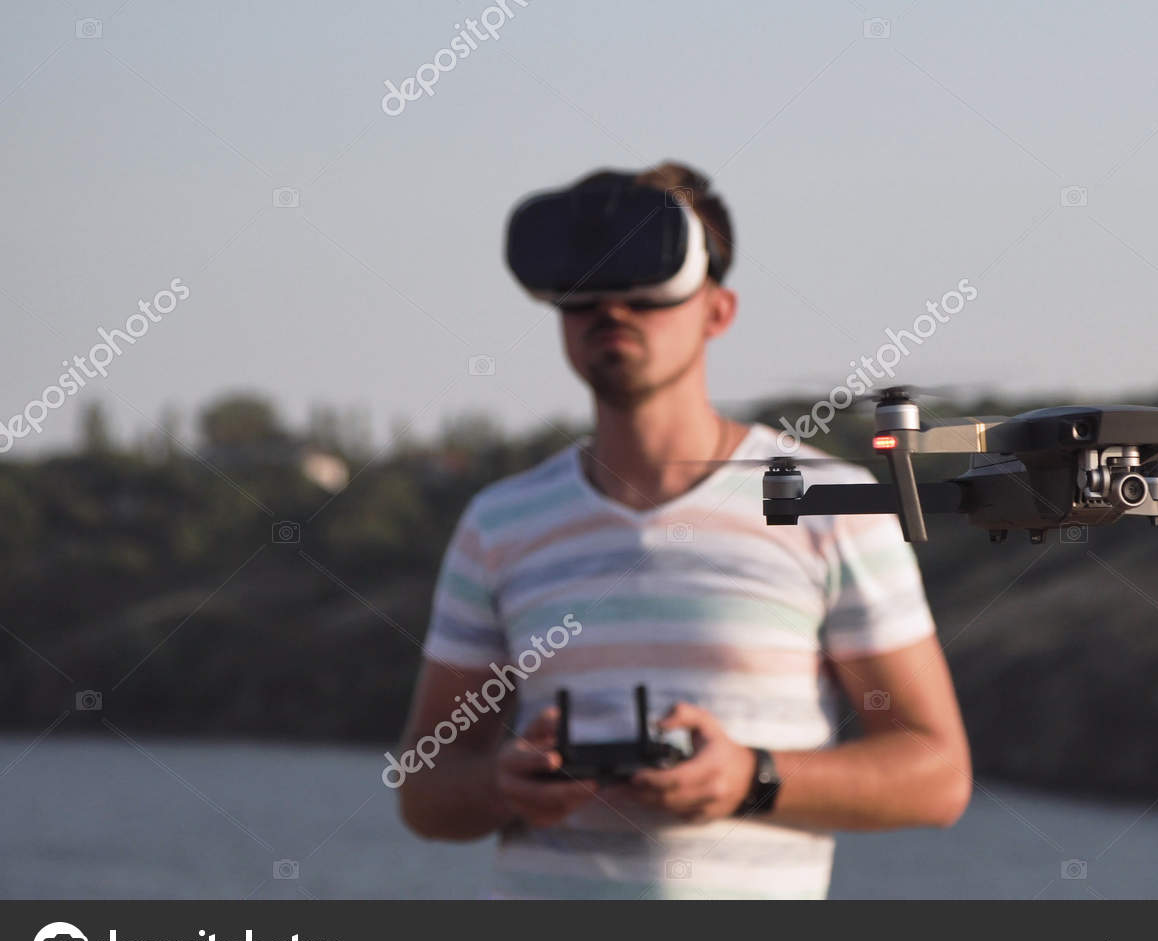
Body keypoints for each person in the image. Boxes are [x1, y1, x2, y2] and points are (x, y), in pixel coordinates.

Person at [394, 161, 970, 899]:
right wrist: (507, 786)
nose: (614, 313)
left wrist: (752, 779)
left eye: (645, 292)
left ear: (718, 310)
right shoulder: (499, 523)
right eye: (585, 298)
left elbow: (937, 774)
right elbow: (423, 789)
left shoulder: (827, 503)